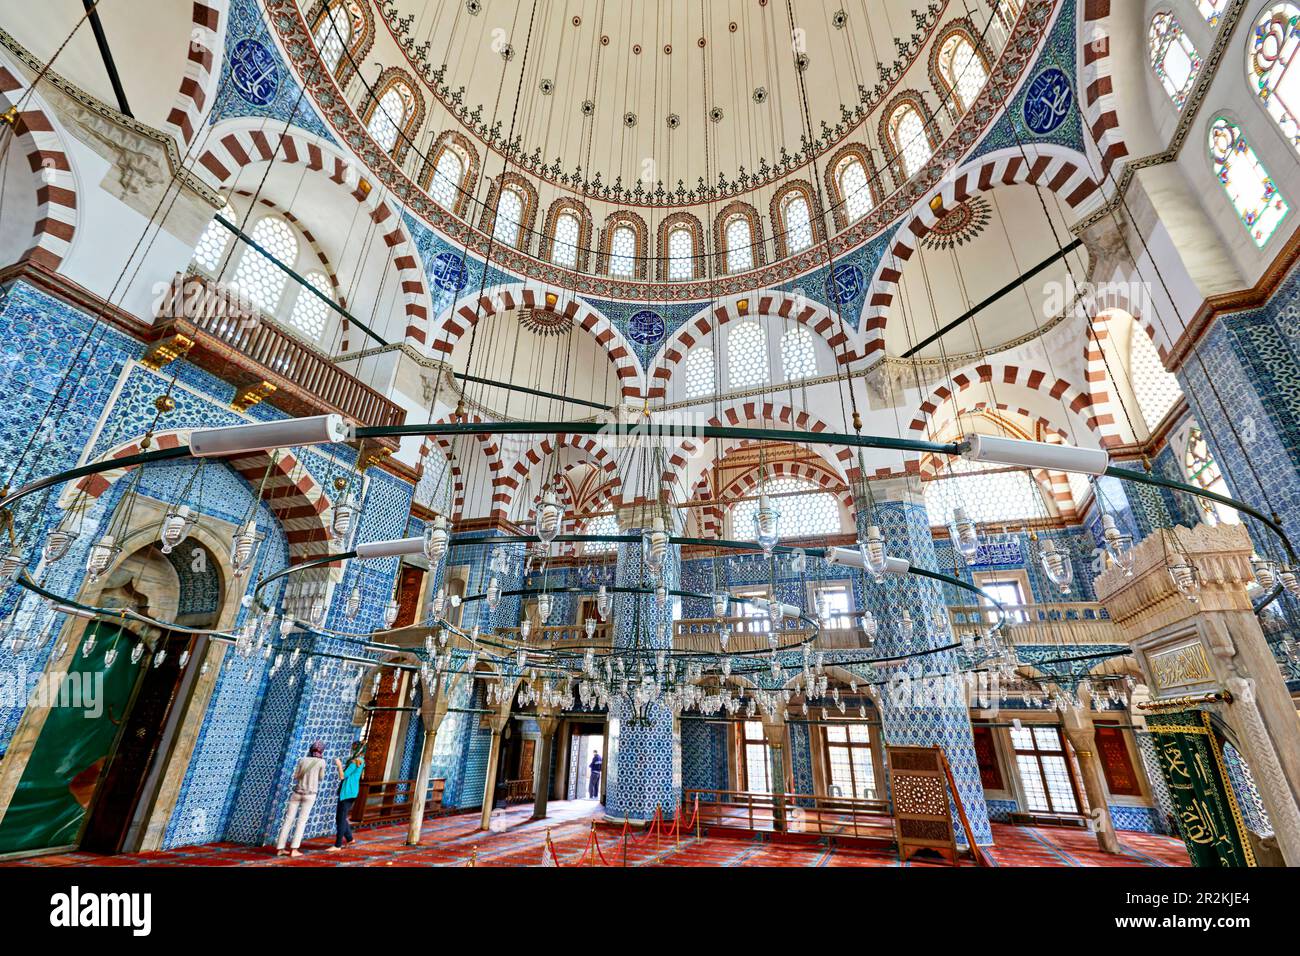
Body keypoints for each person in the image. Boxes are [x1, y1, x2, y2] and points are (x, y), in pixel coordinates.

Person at [275, 741, 326, 857]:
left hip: (297, 793)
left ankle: (280, 848)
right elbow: (321, 777)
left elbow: (296, 776)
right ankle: (294, 850)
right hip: (310, 794)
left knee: (288, 820)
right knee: (301, 821)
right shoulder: (322, 762)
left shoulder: (303, 760)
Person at [328, 741, 365, 851]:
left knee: (340, 818)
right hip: (351, 791)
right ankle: (349, 838)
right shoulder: (361, 761)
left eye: (354, 748)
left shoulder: (356, 761)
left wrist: (339, 765)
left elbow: (343, 776)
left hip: (347, 792)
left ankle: (337, 845)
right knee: (341, 817)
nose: (352, 750)